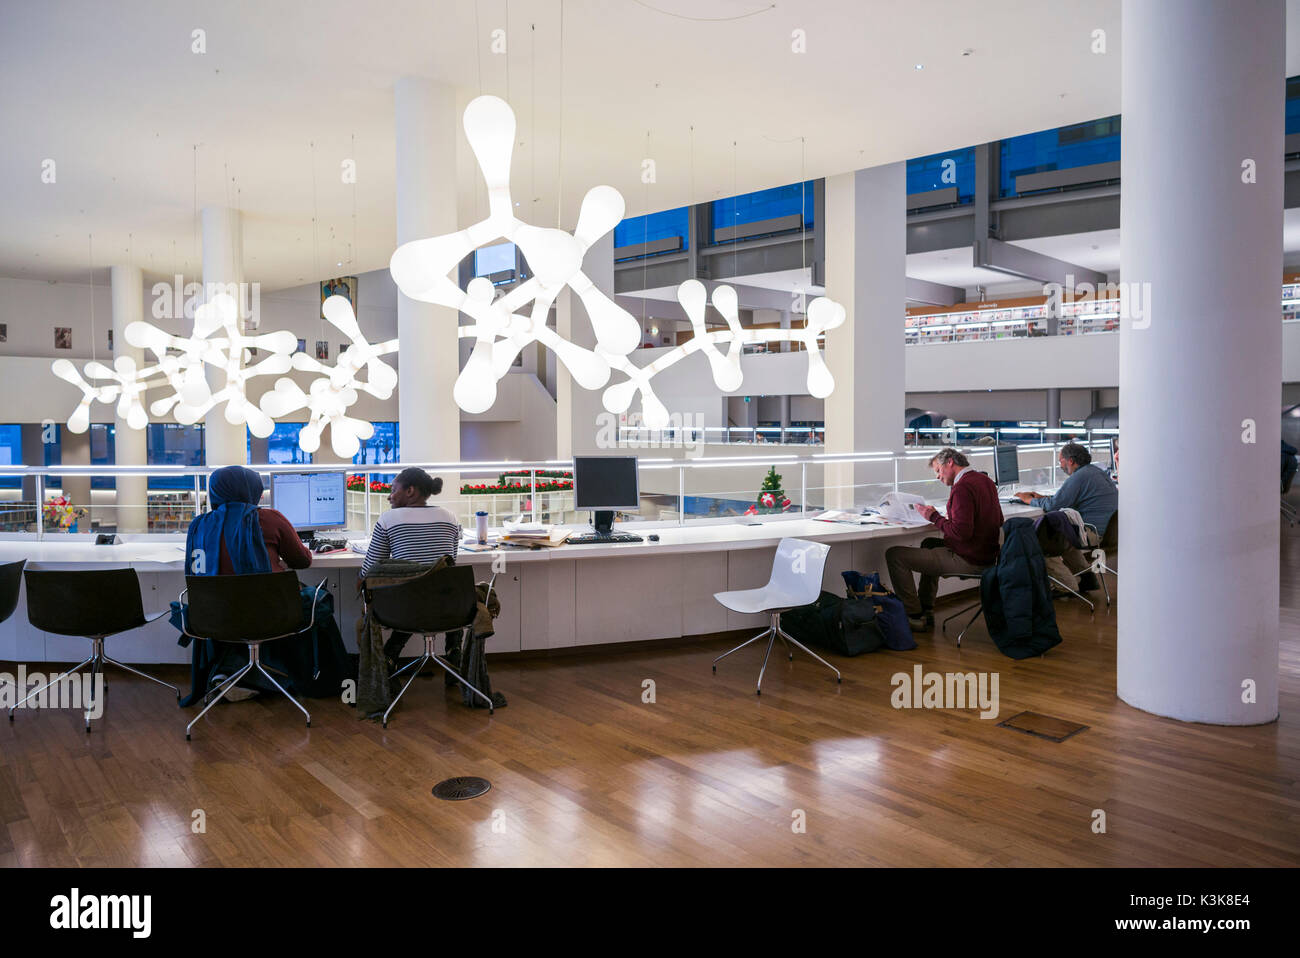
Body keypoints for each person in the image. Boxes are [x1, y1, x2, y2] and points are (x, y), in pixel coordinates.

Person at [178, 465, 315, 705]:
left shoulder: (198, 525)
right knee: (318, 600)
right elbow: (302, 561)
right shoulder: (270, 518)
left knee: (238, 607)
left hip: (212, 618)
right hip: (270, 616)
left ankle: (230, 674)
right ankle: (312, 678)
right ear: (252, 491)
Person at [885, 448, 1004, 631]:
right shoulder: (984, 480)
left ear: (950, 462)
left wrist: (933, 516)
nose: (938, 477)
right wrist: (945, 518)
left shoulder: (962, 487)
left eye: (938, 470)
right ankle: (927, 609)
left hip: (969, 559)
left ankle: (914, 616)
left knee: (895, 555)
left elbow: (961, 533)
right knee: (929, 544)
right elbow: (998, 520)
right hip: (987, 555)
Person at [1015, 441, 1117, 591]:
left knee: (1041, 542)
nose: (1059, 465)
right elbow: (1067, 500)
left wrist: (1029, 499)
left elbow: (1053, 506)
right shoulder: (1095, 472)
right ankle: (1087, 579)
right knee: (1063, 537)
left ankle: (1067, 586)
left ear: (1070, 461)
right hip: (1108, 532)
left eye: (1060, 460)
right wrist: (1042, 498)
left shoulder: (1080, 477)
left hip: (1092, 532)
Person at [360, 467, 460, 577]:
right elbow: (451, 563)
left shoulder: (388, 519)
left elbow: (369, 572)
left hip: (404, 592)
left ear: (409, 491)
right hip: (445, 592)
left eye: (393, 490)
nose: (389, 497)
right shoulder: (450, 518)